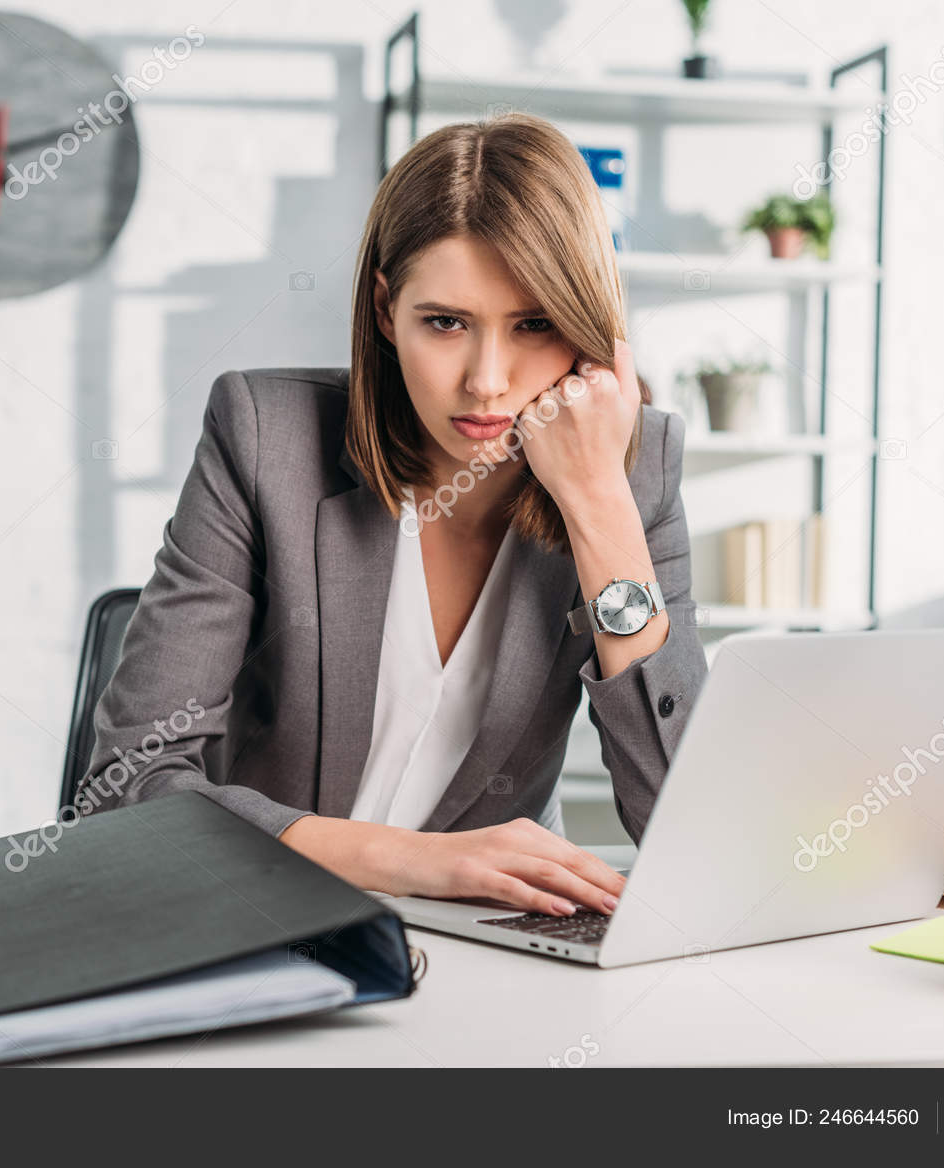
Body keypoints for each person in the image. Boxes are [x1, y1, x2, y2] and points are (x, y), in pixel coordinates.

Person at [83, 112, 708, 918]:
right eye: (446, 322)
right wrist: (415, 862)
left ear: (592, 330)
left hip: (485, 947)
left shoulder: (639, 466)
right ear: (386, 310)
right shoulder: (265, 436)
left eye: (535, 324)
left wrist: (598, 508)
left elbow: (683, 826)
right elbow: (127, 787)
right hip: (257, 920)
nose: (487, 380)